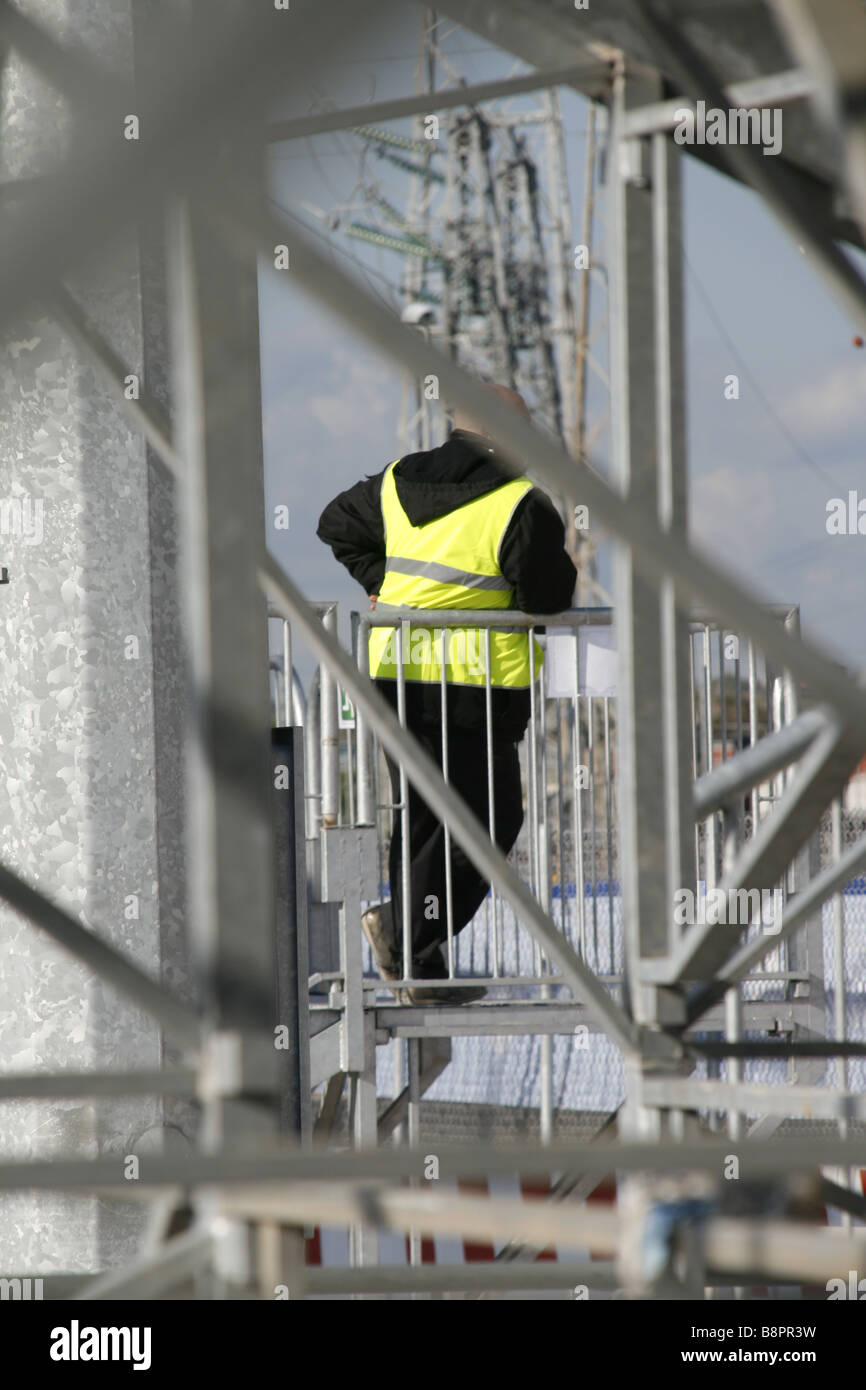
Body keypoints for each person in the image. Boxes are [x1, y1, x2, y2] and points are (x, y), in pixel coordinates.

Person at [316, 384, 576, 1004]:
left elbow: (334, 523)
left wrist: (383, 582)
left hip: (393, 678)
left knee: (425, 822)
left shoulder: (399, 480)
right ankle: (401, 933)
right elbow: (548, 596)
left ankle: (417, 972)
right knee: (488, 822)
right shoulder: (519, 503)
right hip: (472, 688)